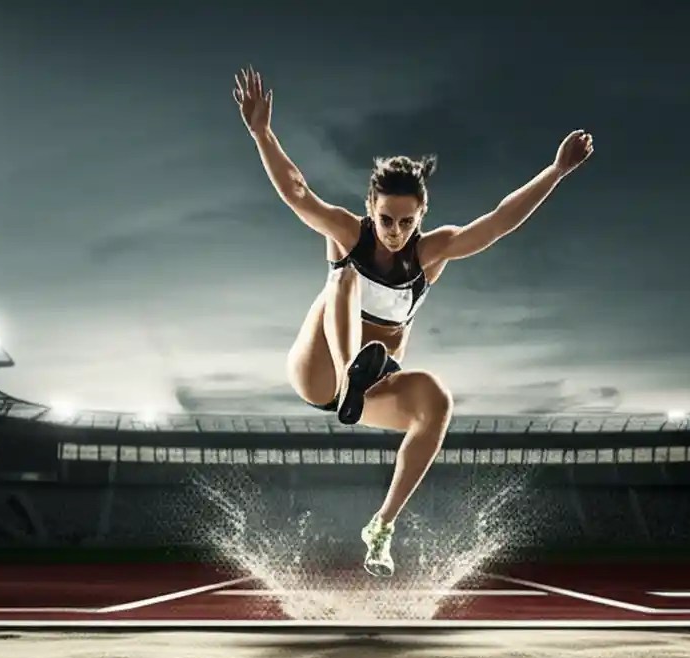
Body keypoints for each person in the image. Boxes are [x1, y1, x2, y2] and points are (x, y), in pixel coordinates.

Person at [233, 66, 593, 576]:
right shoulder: (349, 231)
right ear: (370, 209)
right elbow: (297, 191)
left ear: (422, 214)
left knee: (437, 401)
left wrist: (555, 172)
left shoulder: (431, 252)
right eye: (385, 220)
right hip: (320, 370)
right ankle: (351, 369)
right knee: (343, 275)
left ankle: (381, 527)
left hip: (372, 389)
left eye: (406, 222)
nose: (395, 231)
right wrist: (262, 134)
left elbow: (498, 222)